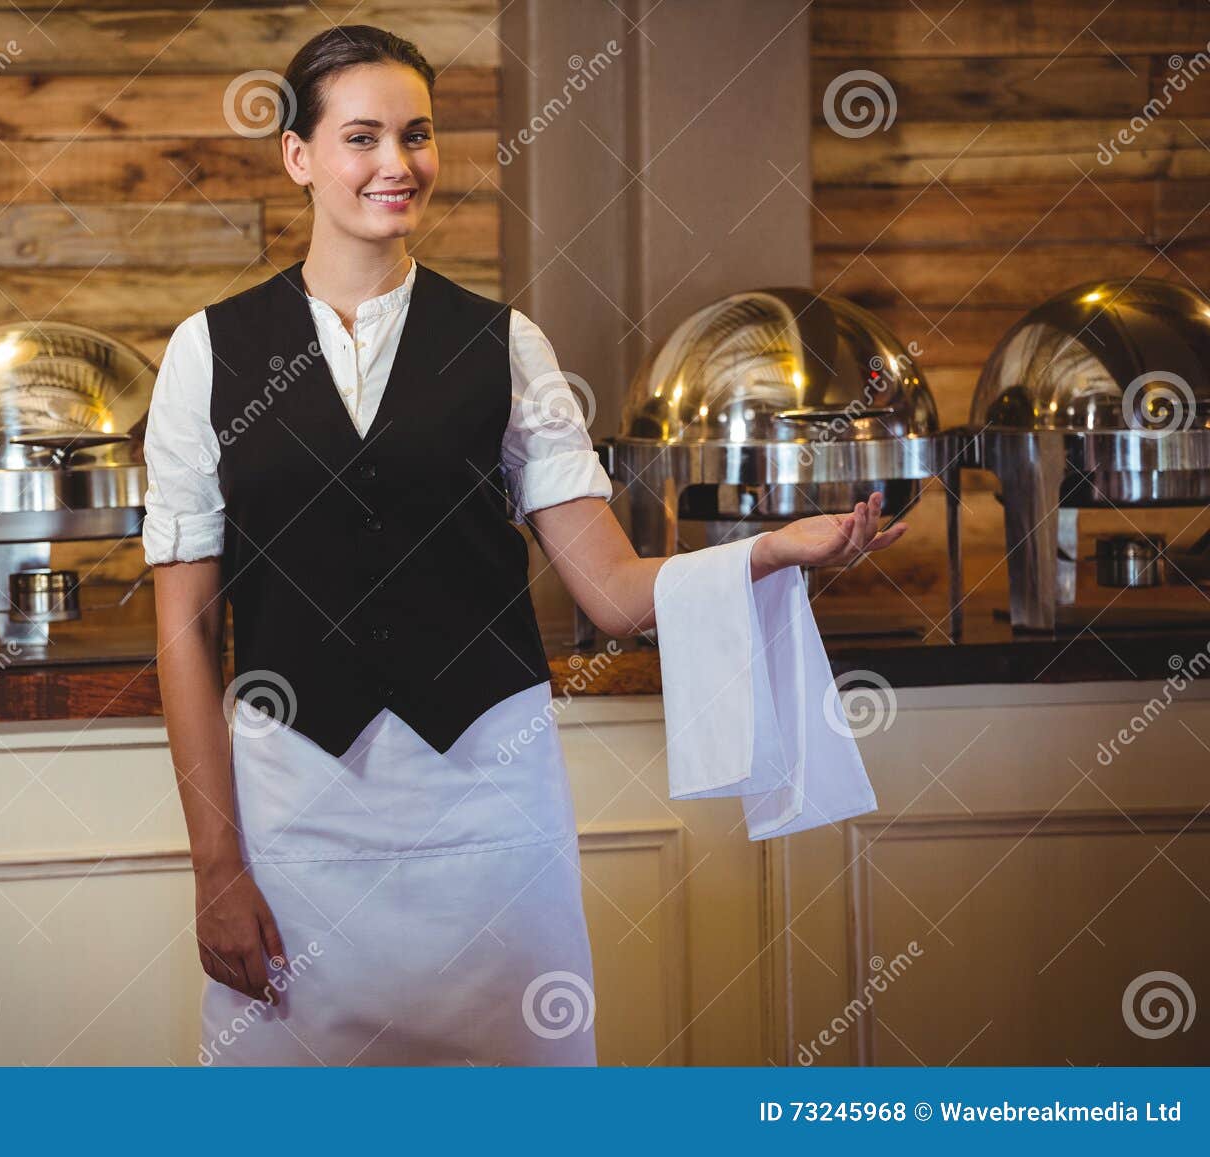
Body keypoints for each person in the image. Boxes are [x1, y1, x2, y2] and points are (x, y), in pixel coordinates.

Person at [143, 24, 907, 1066]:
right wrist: (217, 865)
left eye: (416, 135)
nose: (395, 164)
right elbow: (183, 634)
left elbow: (610, 591)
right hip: (296, 817)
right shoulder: (206, 352)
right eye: (360, 136)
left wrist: (769, 553)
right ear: (298, 155)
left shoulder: (503, 343)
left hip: (486, 812)